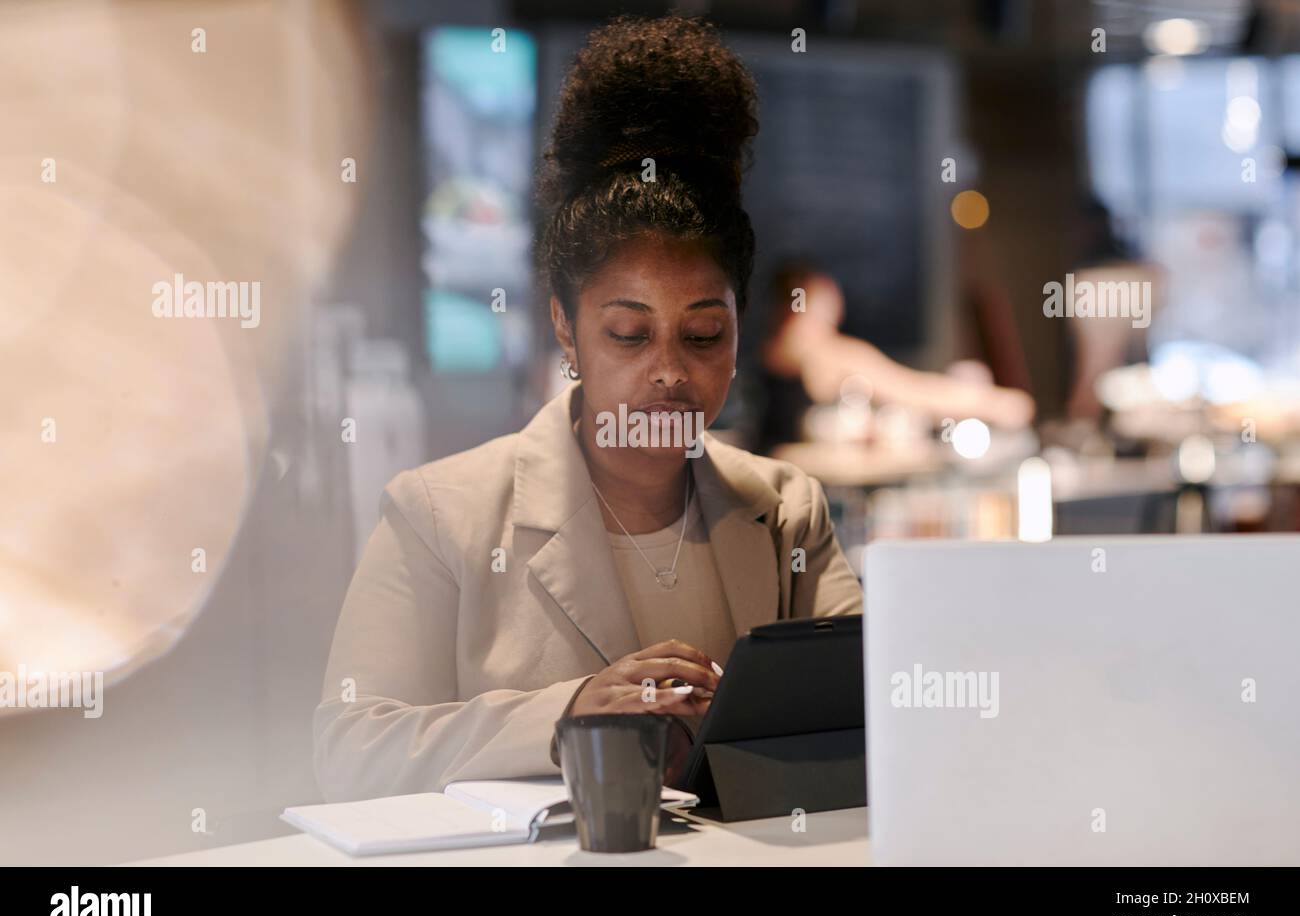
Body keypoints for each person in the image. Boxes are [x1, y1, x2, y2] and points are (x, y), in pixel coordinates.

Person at [313, 15, 863, 802]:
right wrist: (566, 712)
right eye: (629, 335)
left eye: (703, 334)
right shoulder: (442, 516)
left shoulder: (784, 516)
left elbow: (869, 710)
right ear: (566, 327)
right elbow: (350, 750)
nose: (669, 372)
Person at [757, 263, 1035, 449]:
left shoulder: (765, 353)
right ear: (823, 299)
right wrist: (995, 403)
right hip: (821, 494)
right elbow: (913, 391)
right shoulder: (828, 353)